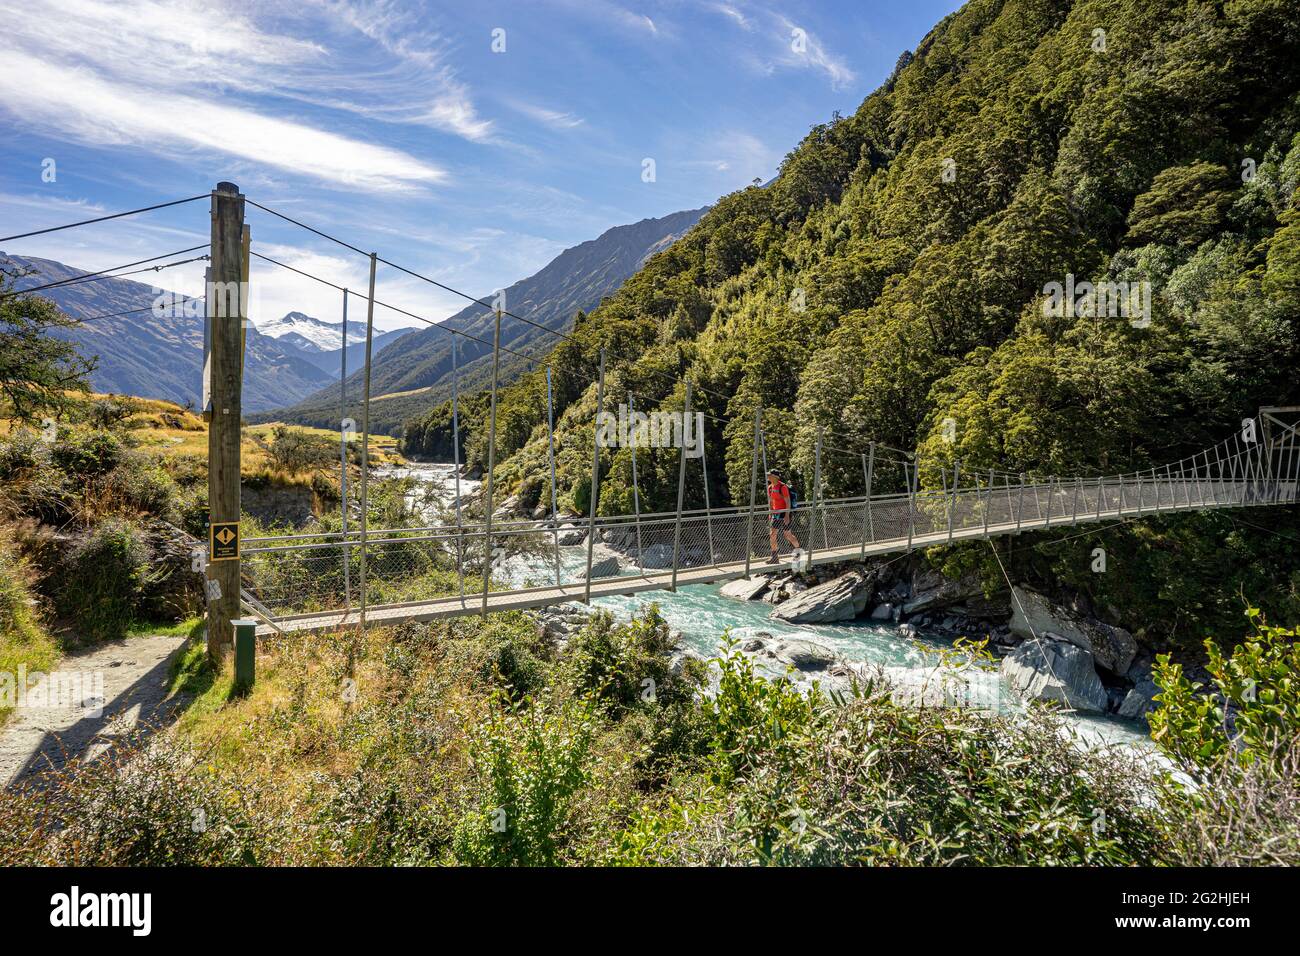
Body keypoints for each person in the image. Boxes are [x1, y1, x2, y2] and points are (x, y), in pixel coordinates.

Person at [765, 469, 801, 564]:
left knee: (787, 535)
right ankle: (774, 557)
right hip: (776, 514)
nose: (768, 476)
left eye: (770, 475)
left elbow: (788, 501)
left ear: (776, 477)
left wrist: (787, 515)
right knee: (772, 534)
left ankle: (798, 551)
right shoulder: (770, 487)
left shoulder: (783, 487)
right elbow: (771, 501)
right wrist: (770, 513)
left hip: (784, 513)